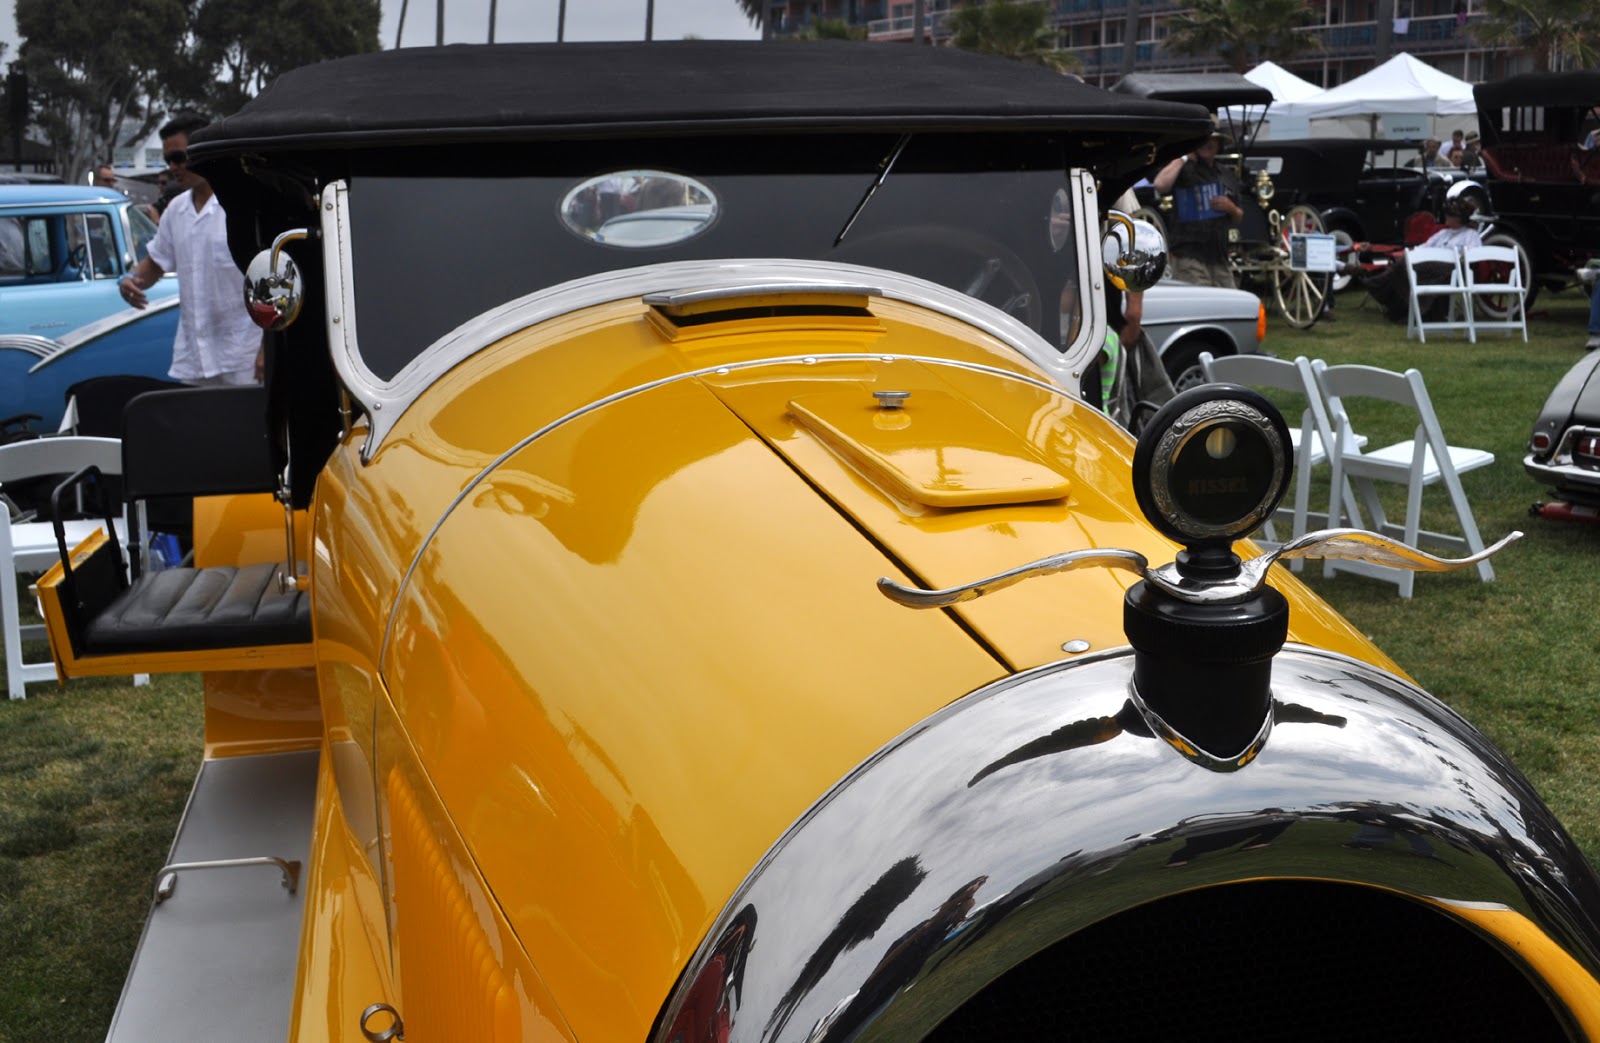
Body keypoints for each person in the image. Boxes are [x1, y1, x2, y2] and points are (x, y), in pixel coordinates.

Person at [118, 113, 263, 385]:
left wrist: (267, 347)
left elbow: (268, 279)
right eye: (168, 160)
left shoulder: (243, 204)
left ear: (202, 150)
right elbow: (156, 263)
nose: (173, 167)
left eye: (178, 157)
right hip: (193, 359)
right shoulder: (176, 210)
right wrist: (130, 280)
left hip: (244, 355)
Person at [1349, 197, 1481, 323]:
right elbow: (1424, 247)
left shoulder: (1470, 235)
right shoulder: (1443, 234)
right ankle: (1401, 303)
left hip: (1451, 270)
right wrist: (1408, 253)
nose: (1446, 217)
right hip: (1429, 266)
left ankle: (1373, 281)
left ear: (1458, 218)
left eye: (1449, 215)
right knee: (1404, 263)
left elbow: (1473, 255)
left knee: (1404, 266)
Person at [1151, 122, 1243, 288]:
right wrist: (1184, 157)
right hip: (1189, 257)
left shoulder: (1225, 174)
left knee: (1229, 300)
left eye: (1212, 140)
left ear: (1219, 144)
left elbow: (1238, 217)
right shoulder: (1184, 168)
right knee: (1199, 301)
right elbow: (1160, 184)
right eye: (1202, 140)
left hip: (1219, 258)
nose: (1206, 144)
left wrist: (1230, 207)